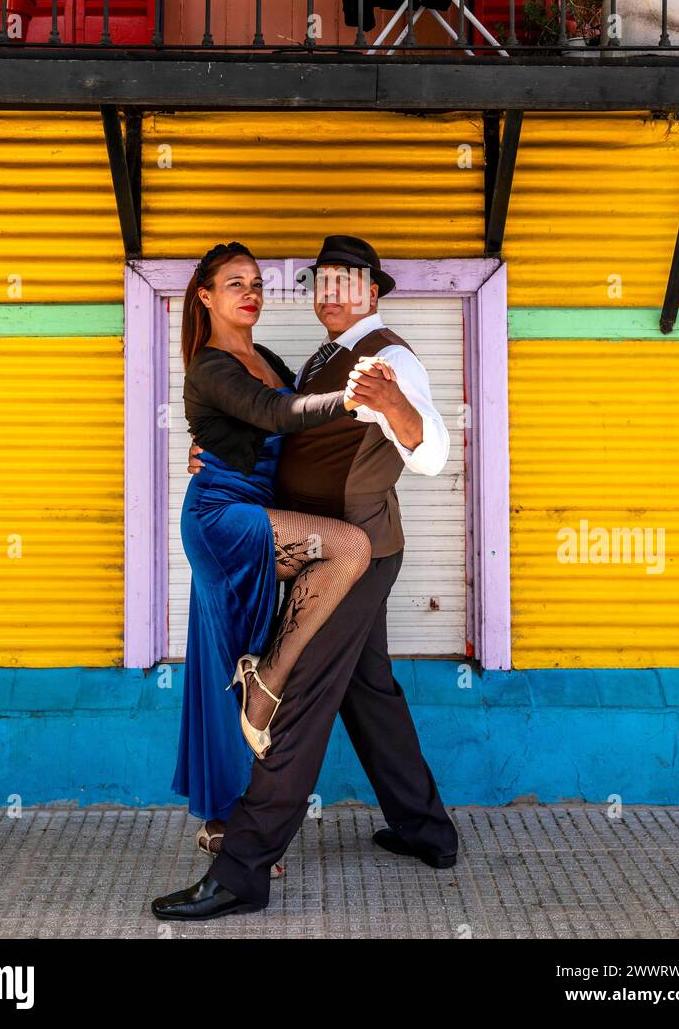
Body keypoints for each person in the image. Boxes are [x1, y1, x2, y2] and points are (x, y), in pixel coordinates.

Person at [153, 235, 459, 920]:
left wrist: (394, 407)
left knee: (299, 700)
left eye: (348, 283)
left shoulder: (389, 356)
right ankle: (426, 831)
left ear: (373, 293)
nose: (333, 293)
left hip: (355, 553)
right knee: (367, 690)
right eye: (323, 282)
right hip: (326, 548)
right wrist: (214, 451)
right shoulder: (319, 358)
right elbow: (267, 420)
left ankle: (244, 867)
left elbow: (432, 450)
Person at [170, 239, 393, 859]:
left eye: (258, 284)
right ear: (205, 296)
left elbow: (277, 433)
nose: (251, 294)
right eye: (235, 283)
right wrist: (351, 398)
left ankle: (238, 805)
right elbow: (275, 414)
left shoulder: (263, 353)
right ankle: (258, 708)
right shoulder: (211, 365)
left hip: (257, 512)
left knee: (234, 649)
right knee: (347, 549)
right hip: (223, 516)